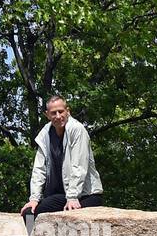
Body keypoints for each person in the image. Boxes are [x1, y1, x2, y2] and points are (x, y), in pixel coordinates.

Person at [21, 95, 104, 226]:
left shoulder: (77, 129)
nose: (58, 116)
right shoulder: (45, 134)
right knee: (29, 213)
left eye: (61, 111)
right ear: (47, 115)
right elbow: (38, 170)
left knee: (73, 220)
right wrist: (34, 199)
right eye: (53, 113)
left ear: (68, 111)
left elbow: (79, 166)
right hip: (61, 195)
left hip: (85, 195)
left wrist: (72, 197)